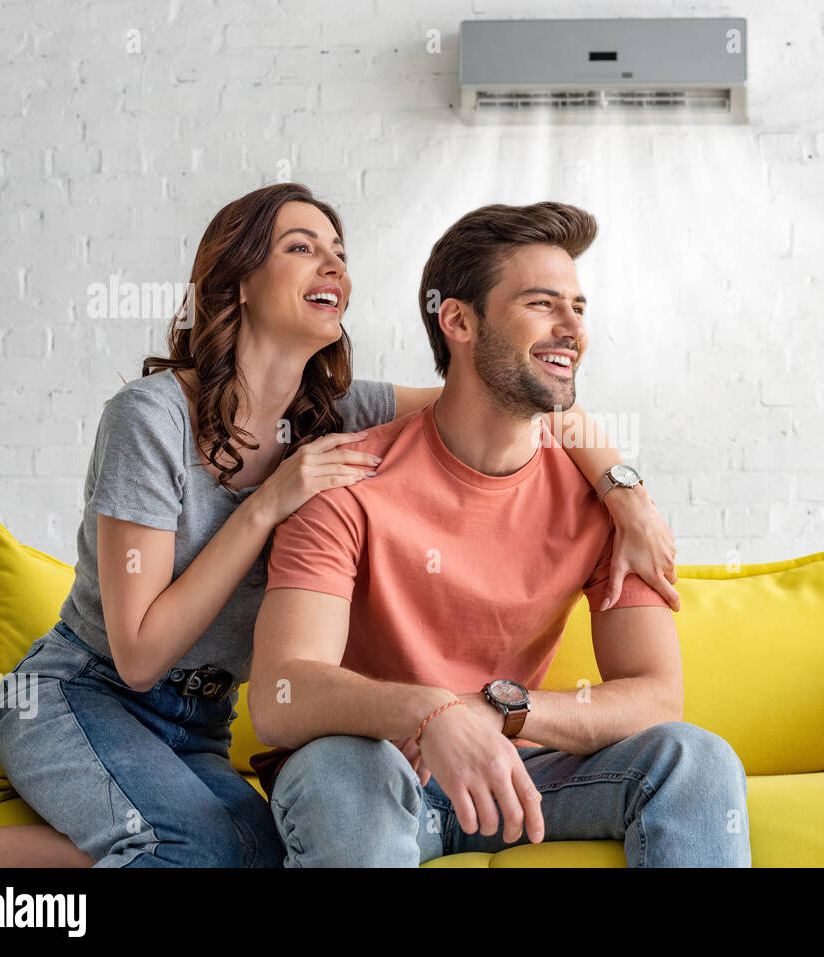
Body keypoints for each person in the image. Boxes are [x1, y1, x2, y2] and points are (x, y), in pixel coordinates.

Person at [0, 184, 679, 868]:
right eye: (302, 246)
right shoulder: (151, 419)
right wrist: (267, 504)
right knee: (188, 852)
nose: (333, 264)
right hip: (85, 694)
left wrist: (625, 491)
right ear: (239, 284)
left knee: (266, 861)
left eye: (340, 252)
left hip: (204, 719)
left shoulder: (334, 413)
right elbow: (137, 654)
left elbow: (516, 384)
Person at [249, 201, 751, 867]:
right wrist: (430, 714)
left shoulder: (605, 506)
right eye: (543, 304)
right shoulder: (347, 482)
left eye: (579, 307)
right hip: (377, 772)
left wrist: (499, 712)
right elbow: (280, 693)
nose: (572, 328)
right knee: (340, 777)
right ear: (458, 320)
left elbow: (657, 695)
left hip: (518, 776)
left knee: (698, 760)